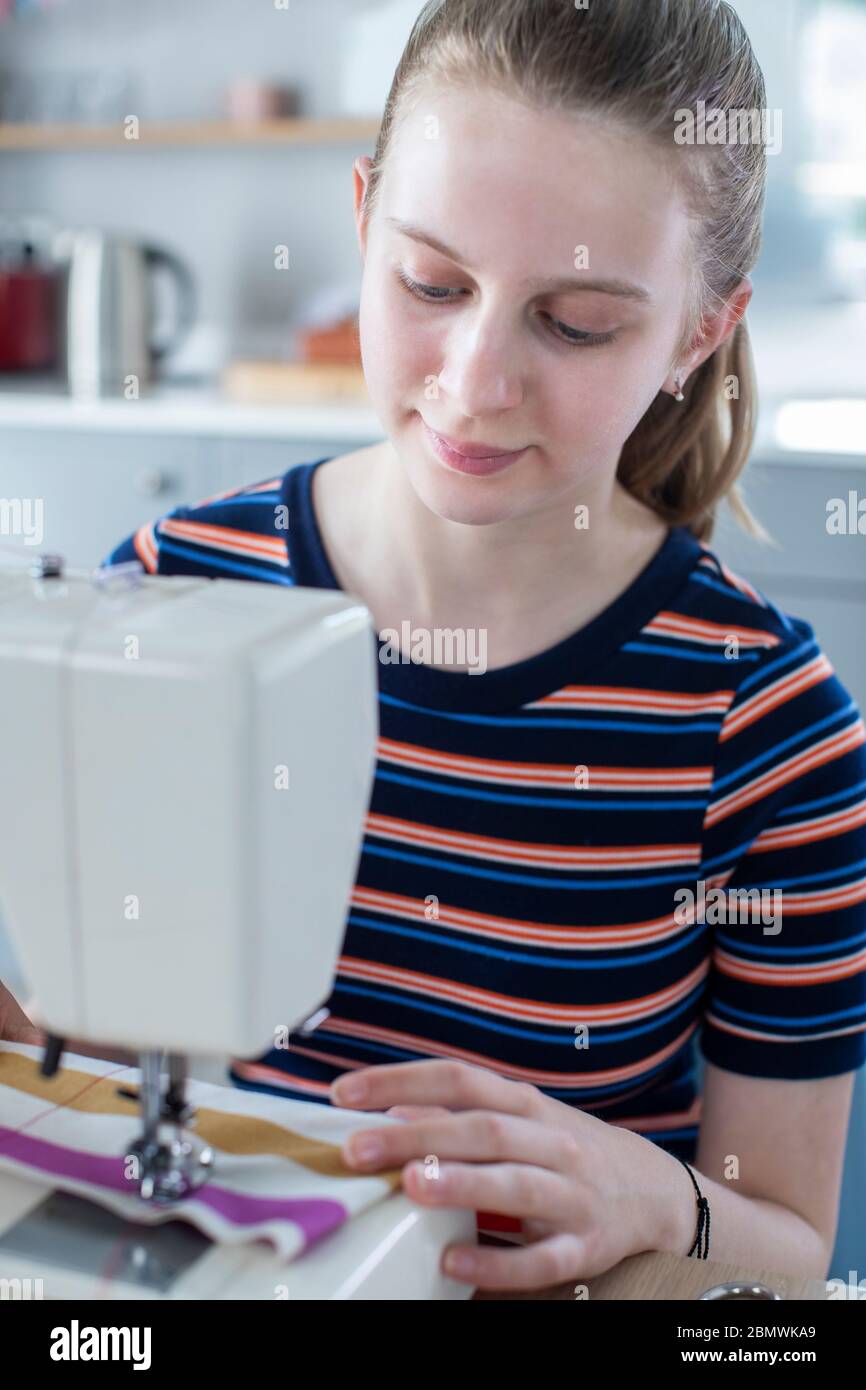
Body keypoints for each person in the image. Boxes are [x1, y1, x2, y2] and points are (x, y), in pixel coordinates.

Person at [6, 0, 865, 1292]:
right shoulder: (172, 587)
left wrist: (659, 1199)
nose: (471, 382)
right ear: (361, 219)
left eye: (573, 321)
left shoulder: (766, 732)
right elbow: (87, 1043)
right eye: (430, 283)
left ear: (698, 332)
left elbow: (790, 1261)